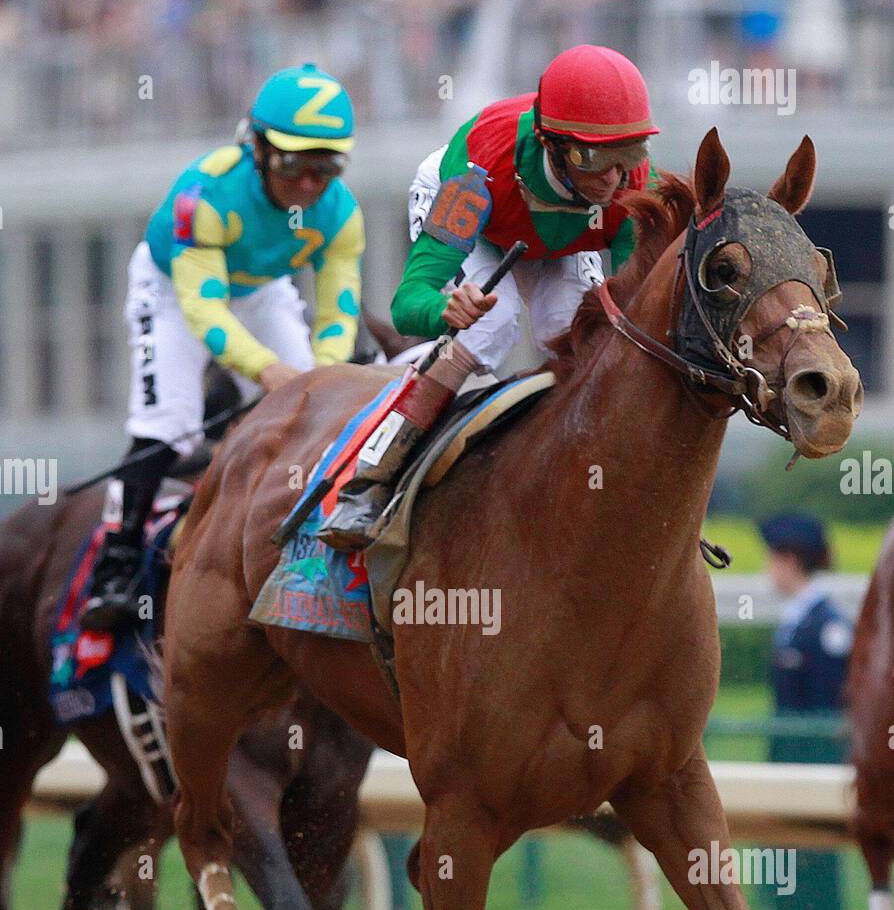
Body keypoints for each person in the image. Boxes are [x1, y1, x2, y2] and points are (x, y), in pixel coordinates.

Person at [318, 44, 659, 551]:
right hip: (483, 220)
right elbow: (407, 302)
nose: (613, 177)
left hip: (558, 236)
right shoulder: (477, 173)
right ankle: (372, 480)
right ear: (553, 144)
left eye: (627, 153)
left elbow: (636, 309)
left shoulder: (632, 185)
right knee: (491, 327)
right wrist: (443, 310)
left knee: (584, 337)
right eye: (593, 157)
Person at [82, 63, 364, 631]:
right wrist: (268, 372)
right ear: (256, 147)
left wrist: (323, 376)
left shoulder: (343, 214)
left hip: (258, 289)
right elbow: (202, 309)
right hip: (174, 287)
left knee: (319, 404)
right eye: (293, 163)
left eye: (326, 166)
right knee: (170, 421)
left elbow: (339, 311)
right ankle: (115, 562)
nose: (309, 184)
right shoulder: (206, 192)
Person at [760, 511, 851, 910]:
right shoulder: (798, 622)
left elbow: (829, 716)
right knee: (786, 887)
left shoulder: (827, 628)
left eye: (772, 558)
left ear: (790, 560)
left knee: (812, 884)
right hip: (786, 777)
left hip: (812, 779)